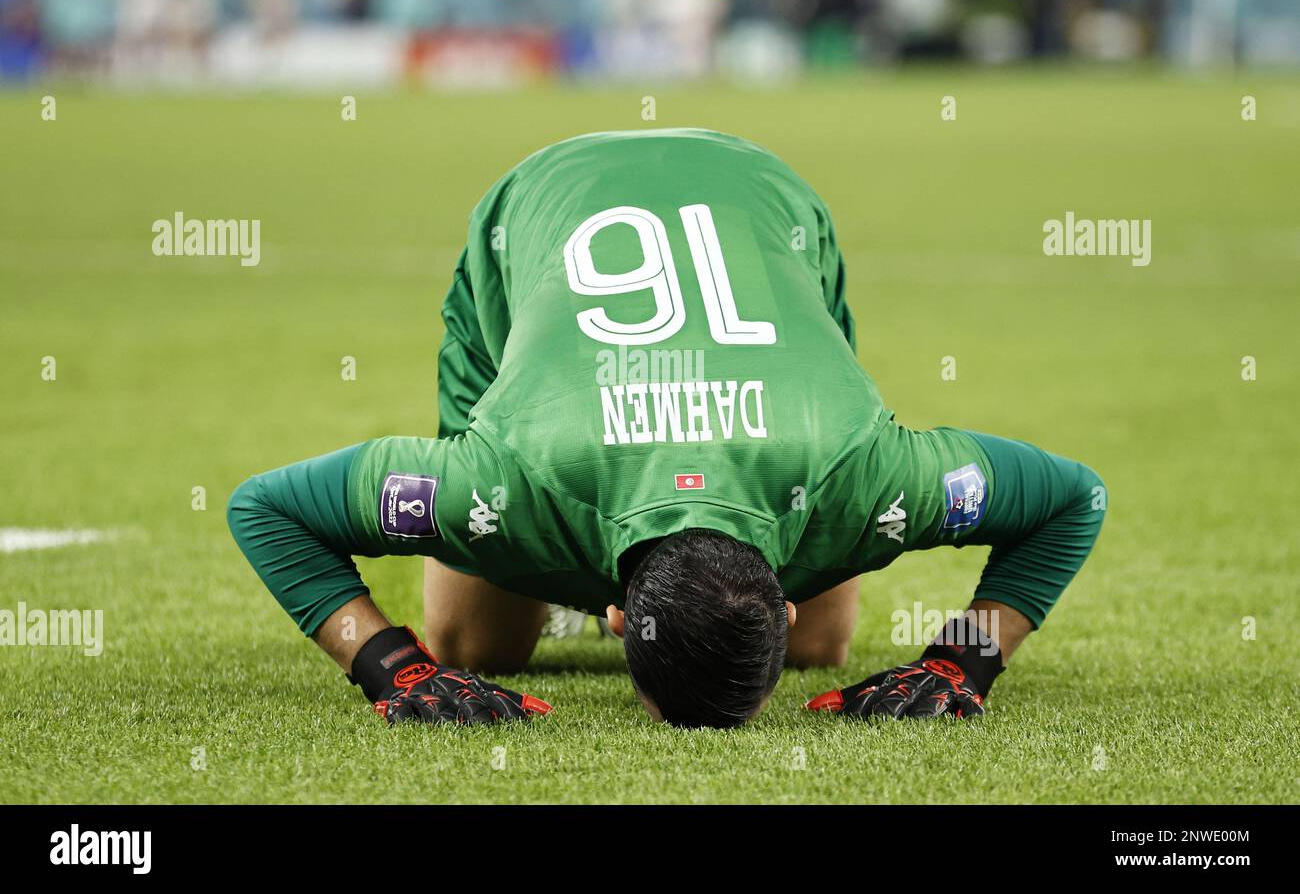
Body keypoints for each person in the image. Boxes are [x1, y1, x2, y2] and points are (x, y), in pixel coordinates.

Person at [228, 128, 1105, 728]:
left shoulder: (867, 473)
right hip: (535, 205)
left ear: (616, 618)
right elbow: (263, 509)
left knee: (820, 650)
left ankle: (636, 605)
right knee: (474, 648)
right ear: (618, 620)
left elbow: (1074, 500)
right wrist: (393, 665)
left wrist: (964, 664)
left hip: (768, 199)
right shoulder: (506, 477)